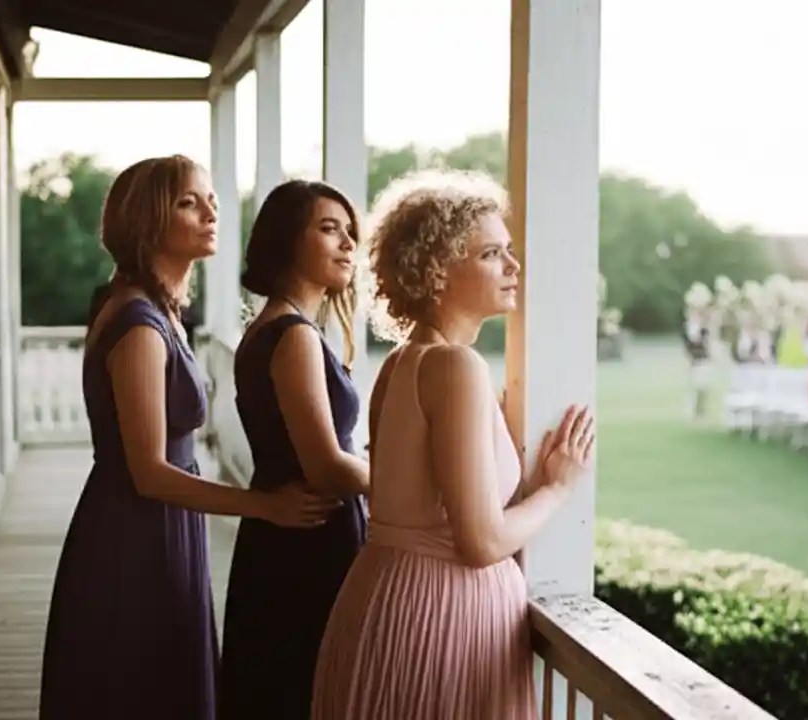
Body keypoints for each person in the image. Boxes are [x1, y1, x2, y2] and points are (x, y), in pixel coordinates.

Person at [39, 156, 324, 720]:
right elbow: (149, 470)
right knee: (139, 686)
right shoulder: (139, 325)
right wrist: (262, 506)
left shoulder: (155, 311)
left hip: (161, 527)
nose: (211, 211)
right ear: (147, 221)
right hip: (132, 536)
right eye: (189, 202)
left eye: (212, 199)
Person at [312, 170, 595, 719]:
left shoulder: (401, 363)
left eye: (509, 251)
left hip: (385, 597)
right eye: (492, 253)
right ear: (436, 271)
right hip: (440, 613)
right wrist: (557, 489)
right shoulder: (455, 366)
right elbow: (482, 541)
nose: (513, 267)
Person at [219, 180, 370, 719]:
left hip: (283, 535)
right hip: (310, 542)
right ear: (286, 240)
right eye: (330, 229)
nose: (349, 244)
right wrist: (412, 476)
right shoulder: (294, 335)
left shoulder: (272, 330)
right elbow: (326, 465)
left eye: (351, 232)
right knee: (303, 686)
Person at [682, 306, 713, 420]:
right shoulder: (687, 328)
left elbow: (707, 344)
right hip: (694, 361)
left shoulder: (704, 330)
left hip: (703, 360)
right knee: (694, 386)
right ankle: (694, 411)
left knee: (703, 387)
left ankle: (701, 411)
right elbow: (687, 345)